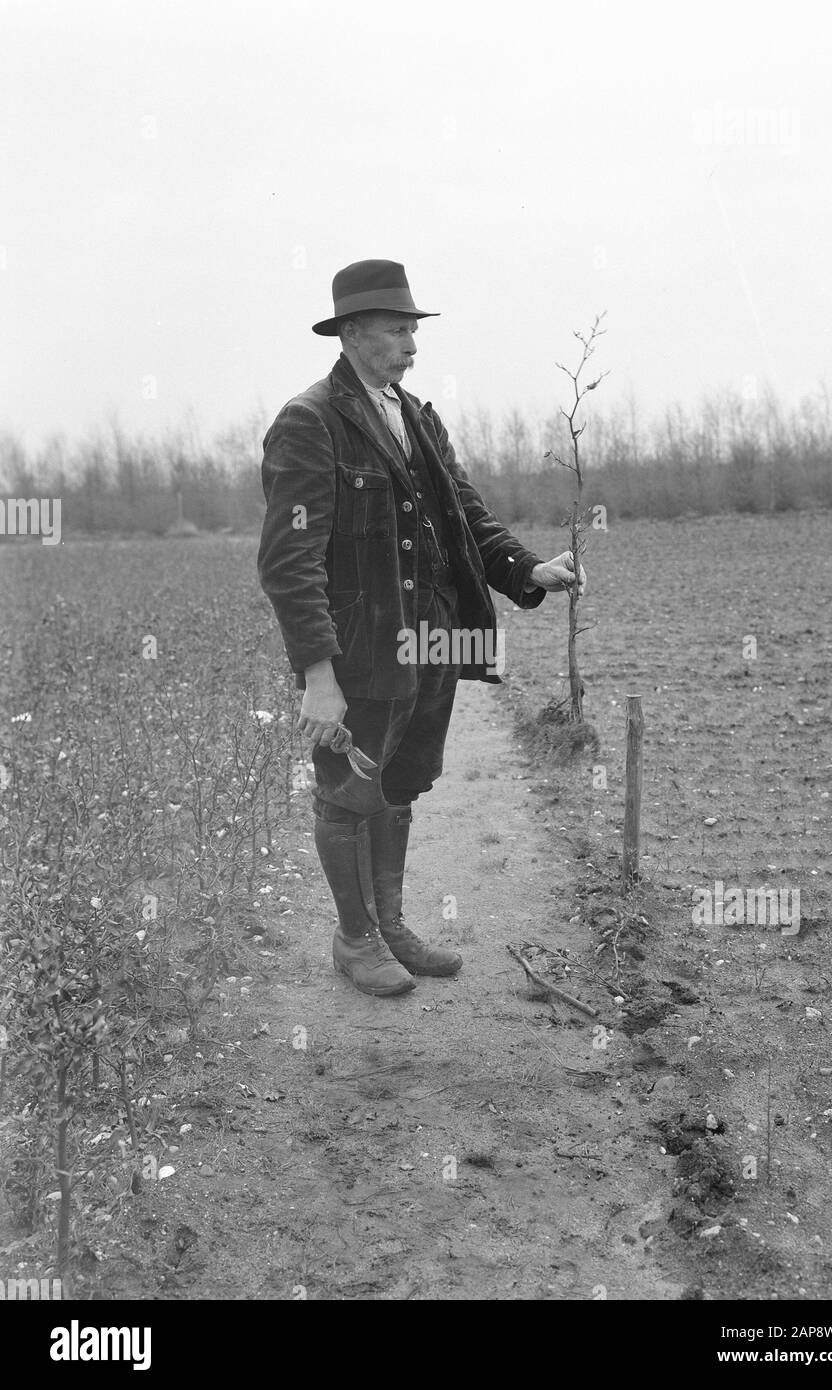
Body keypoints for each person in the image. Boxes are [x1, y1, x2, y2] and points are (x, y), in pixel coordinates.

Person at [258, 260, 587, 997]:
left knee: (397, 785)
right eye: (398, 329)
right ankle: (354, 938)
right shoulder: (310, 422)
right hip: (360, 651)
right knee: (346, 791)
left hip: (430, 644)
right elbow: (289, 560)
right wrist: (318, 673)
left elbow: (465, 515)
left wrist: (529, 571)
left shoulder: (417, 416)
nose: (413, 343)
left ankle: (392, 925)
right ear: (350, 333)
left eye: (414, 328)